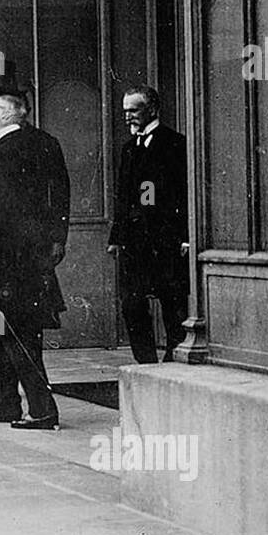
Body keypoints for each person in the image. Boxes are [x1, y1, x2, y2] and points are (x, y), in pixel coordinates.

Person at [0, 92, 70, 430]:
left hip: (6, 263)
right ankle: (5, 403)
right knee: (5, 332)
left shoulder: (5, 151)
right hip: (20, 260)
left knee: (16, 336)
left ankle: (42, 409)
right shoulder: (24, 145)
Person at [107, 85, 190, 363]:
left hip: (165, 240)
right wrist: (116, 238)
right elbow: (122, 196)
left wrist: (185, 237)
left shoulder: (174, 143)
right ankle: (145, 361)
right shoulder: (129, 149)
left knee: (171, 301)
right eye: (125, 111)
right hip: (134, 242)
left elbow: (184, 193)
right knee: (132, 304)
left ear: (152, 109)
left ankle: (173, 357)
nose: (128, 116)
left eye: (134, 110)